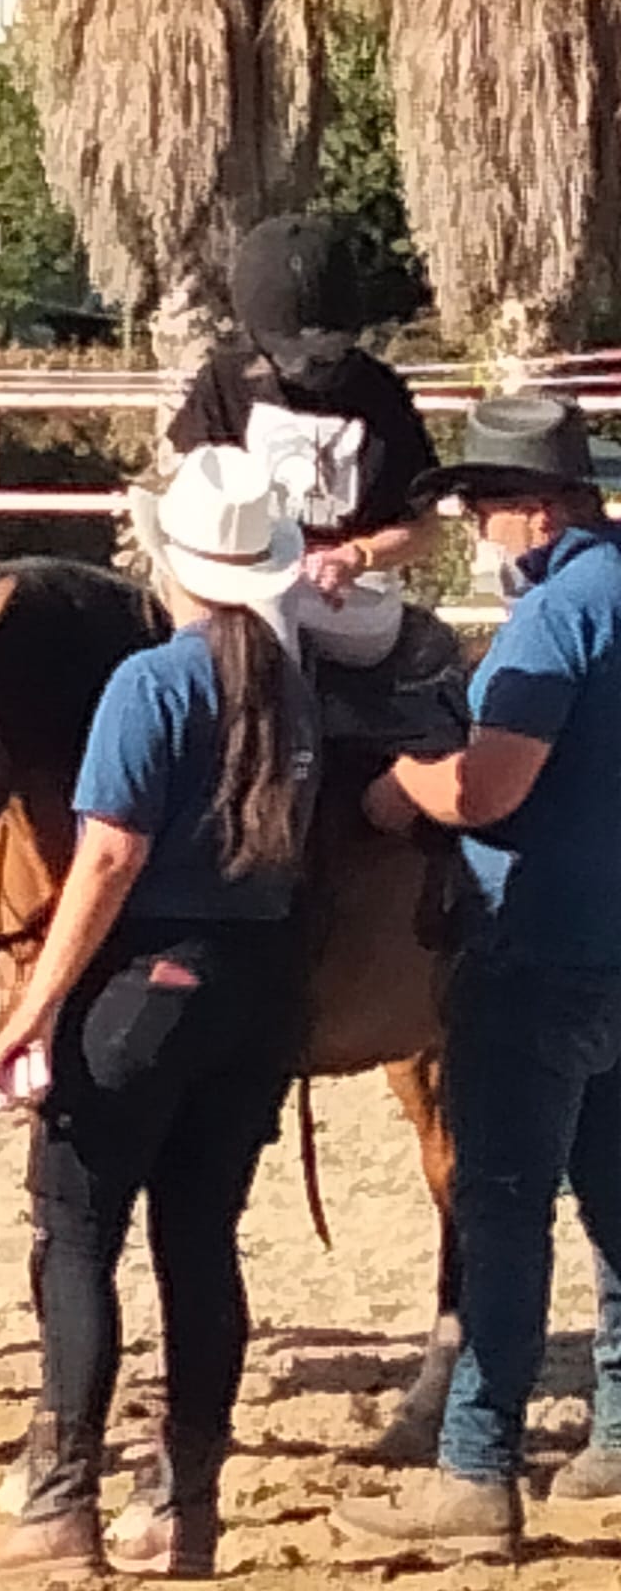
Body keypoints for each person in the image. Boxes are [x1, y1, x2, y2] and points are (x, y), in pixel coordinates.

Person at [0, 446, 318, 1583]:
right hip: (262, 982)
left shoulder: (152, 683)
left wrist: (30, 1009)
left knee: (78, 1235)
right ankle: (185, 1508)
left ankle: (63, 1501)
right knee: (199, 1242)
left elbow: (105, 859)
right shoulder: (288, 685)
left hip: (151, 983)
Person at [331, 395, 621, 1563]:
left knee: (504, 1208)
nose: (479, 530)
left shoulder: (555, 616)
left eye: (485, 507)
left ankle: (477, 1465)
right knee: (615, 1201)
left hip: (537, 940)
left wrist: (400, 775)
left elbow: (487, 789)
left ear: (535, 510)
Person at [169, 214, 438, 666]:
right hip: (237, 579)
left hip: (351, 594)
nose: (309, 367)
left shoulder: (381, 394)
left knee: (277, 628)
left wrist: (356, 556)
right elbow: (190, 500)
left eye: (328, 349)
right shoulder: (223, 383)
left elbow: (423, 526)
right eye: (289, 350)